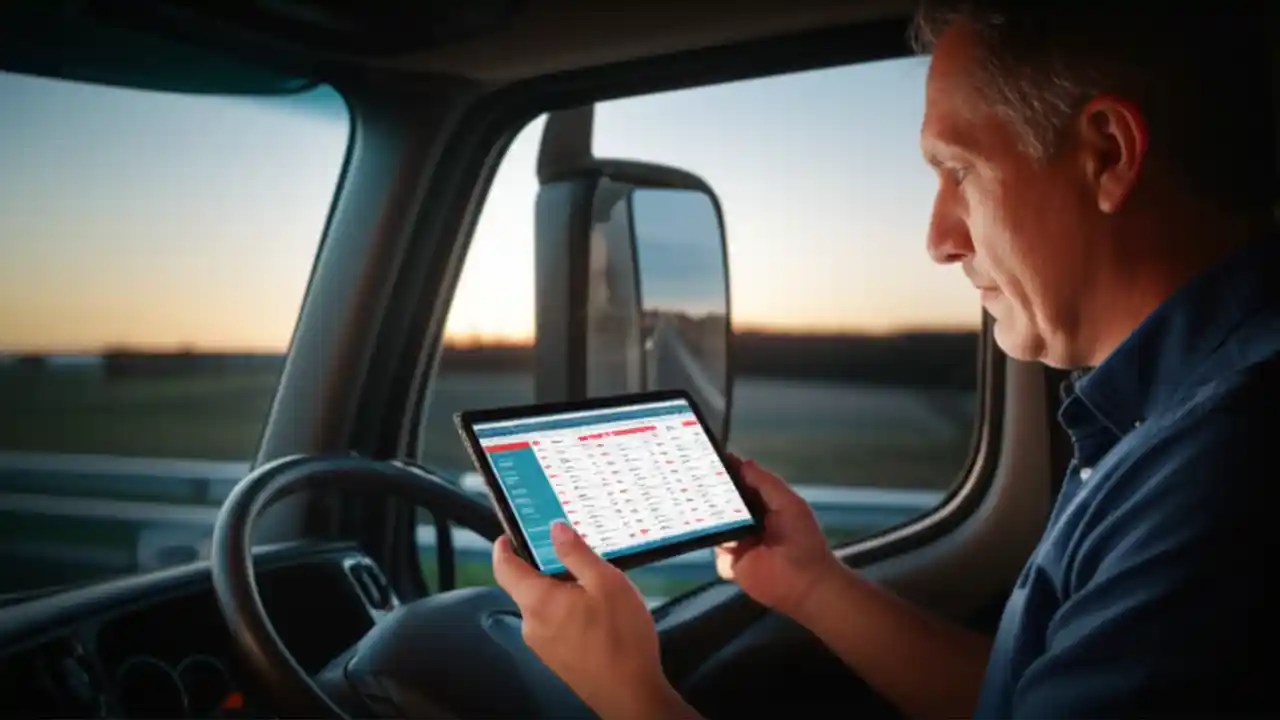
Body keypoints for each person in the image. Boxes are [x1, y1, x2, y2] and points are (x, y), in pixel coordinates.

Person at [494, 0, 1280, 717]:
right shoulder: (1166, 421)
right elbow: (1027, 696)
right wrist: (811, 583)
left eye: (960, 171)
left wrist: (626, 691)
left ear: (1108, 154)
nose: (940, 240)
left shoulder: (1221, 469)